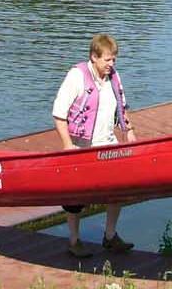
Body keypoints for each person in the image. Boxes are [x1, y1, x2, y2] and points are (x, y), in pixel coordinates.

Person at [52, 34, 138, 258]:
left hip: (108, 145)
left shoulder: (114, 77)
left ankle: (110, 236)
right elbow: (59, 114)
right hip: (81, 147)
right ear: (94, 57)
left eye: (114, 59)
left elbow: (122, 108)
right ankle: (74, 241)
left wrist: (129, 133)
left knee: (118, 191)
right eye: (107, 59)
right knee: (75, 198)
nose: (111, 64)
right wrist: (67, 145)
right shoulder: (77, 76)